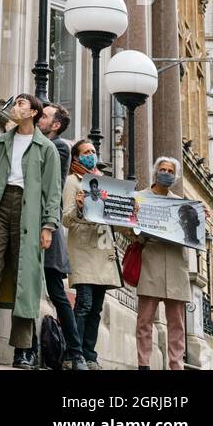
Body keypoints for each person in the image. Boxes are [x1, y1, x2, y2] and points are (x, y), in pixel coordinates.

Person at [0, 92, 61, 368]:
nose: (16, 106)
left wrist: (48, 226)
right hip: (0, 206)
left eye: (22, 103)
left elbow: (52, 191)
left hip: (29, 213)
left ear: (34, 112)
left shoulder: (46, 148)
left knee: (26, 278)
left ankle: (23, 349)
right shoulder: (1, 142)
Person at [63, 138, 120, 370]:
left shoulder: (105, 184)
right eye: (86, 152)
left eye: (93, 151)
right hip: (84, 250)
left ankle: (89, 355)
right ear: (76, 158)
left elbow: (115, 217)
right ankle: (72, 355)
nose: (91, 155)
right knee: (84, 304)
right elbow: (65, 218)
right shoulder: (72, 181)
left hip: (103, 251)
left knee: (96, 308)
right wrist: (79, 206)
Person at [38, 104, 87, 371]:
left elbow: (48, 180)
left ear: (55, 125)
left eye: (44, 115)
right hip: (27, 221)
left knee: (56, 290)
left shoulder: (59, 147)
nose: (39, 118)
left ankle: (76, 353)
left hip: (49, 224)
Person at [131, 155, 191, 370]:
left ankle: (176, 365)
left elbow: (193, 235)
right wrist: (135, 222)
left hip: (176, 267)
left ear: (175, 177)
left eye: (170, 171)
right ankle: (143, 364)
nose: (166, 173)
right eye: (163, 170)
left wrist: (199, 218)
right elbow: (125, 230)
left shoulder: (182, 203)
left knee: (177, 324)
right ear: (156, 172)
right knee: (144, 320)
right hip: (151, 264)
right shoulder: (139, 198)